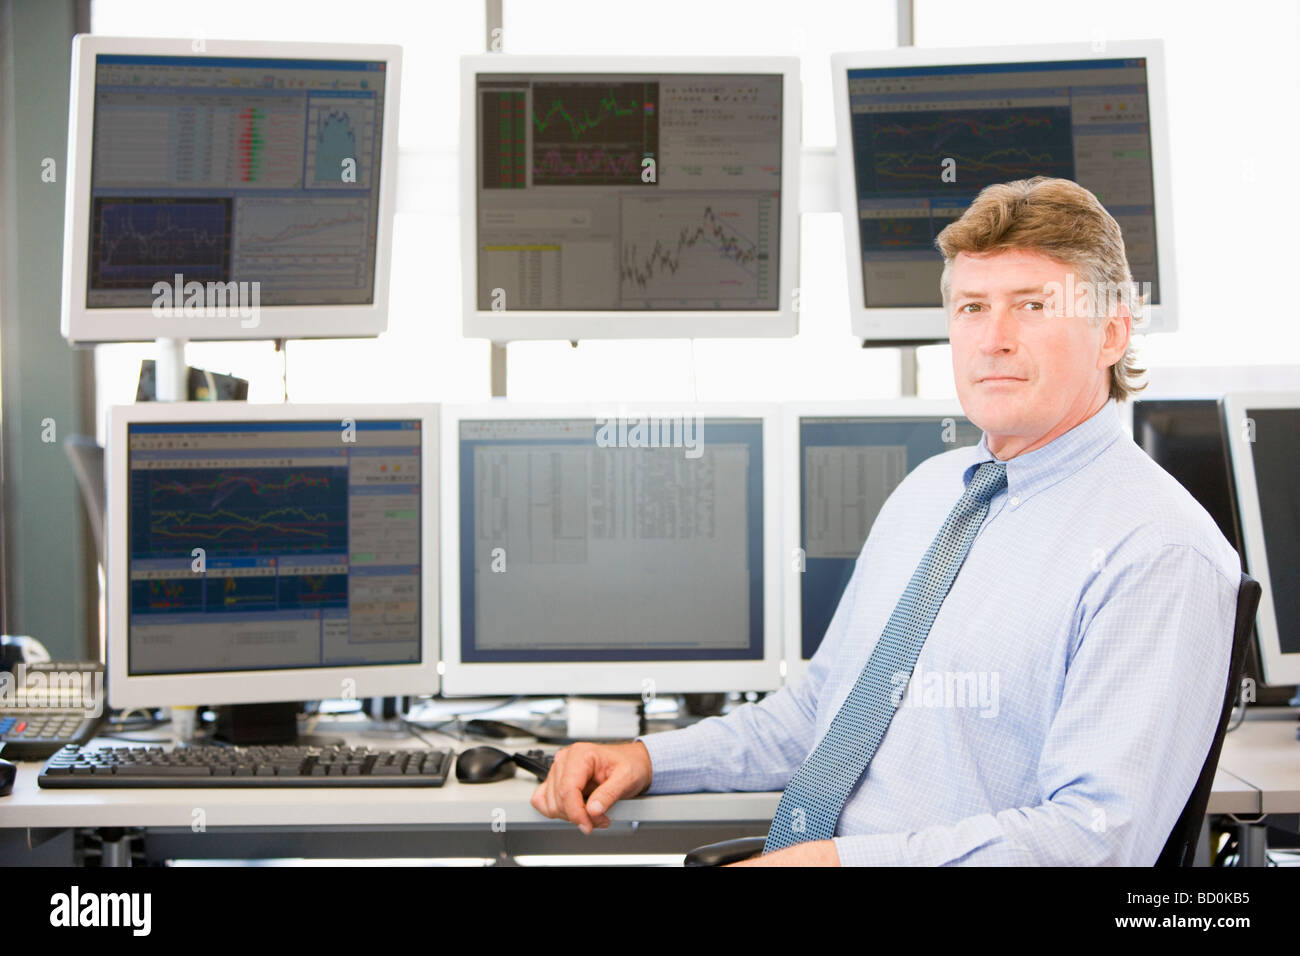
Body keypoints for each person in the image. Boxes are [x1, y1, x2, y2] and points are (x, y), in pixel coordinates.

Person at [529, 177, 1241, 866]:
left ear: (1111, 332)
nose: (993, 338)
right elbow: (823, 710)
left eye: (1031, 305)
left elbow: (1092, 844)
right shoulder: (932, 492)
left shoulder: (1158, 550)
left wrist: (835, 866)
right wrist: (651, 757)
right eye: (970, 308)